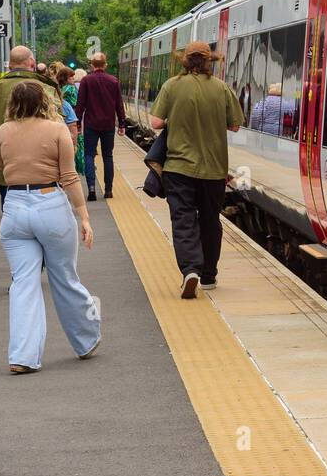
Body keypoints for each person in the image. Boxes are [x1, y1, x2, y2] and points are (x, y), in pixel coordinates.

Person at [0, 81, 99, 374]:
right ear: (45, 101)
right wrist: (84, 216)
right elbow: (68, 176)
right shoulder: (56, 130)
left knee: (23, 283)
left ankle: (23, 357)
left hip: (14, 208)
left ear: (13, 103)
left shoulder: (4, 130)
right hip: (49, 202)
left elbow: (0, 164)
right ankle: (86, 340)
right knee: (64, 277)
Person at [149, 41, 243, 298]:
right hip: (214, 169)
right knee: (210, 220)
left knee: (183, 219)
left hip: (178, 168)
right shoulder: (221, 89)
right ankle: (209, 276)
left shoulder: (172, 85)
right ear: (209, 61)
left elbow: (156, 122)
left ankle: (190, 269)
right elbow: (235, 125)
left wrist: (177, 119)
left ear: (186, 61)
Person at [0, 45, 61, 195]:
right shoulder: (46, 89)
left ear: (10, 65)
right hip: (42, 167)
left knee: (10, 206)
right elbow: (58, 125)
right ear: (32, 63)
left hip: (6, 166)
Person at [77, 52, 127, 201]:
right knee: (108, 156)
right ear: (105, 65)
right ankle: (108, 190)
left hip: (91, 124)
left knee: (89, 155)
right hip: (108, 125)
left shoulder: (86, 81)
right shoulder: (113, 81)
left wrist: (78, 123)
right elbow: (119, 105)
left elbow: (80, 105)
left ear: (92, 65)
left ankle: (91, 189)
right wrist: (122, 123)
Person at [56, 65, 85, 175]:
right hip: (71, 121)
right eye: (71, 78)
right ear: (66, 79)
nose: (73, 79)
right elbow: (76, 105)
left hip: (62, 122)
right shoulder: (71, 89)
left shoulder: (59, 89)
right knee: (73, 153)